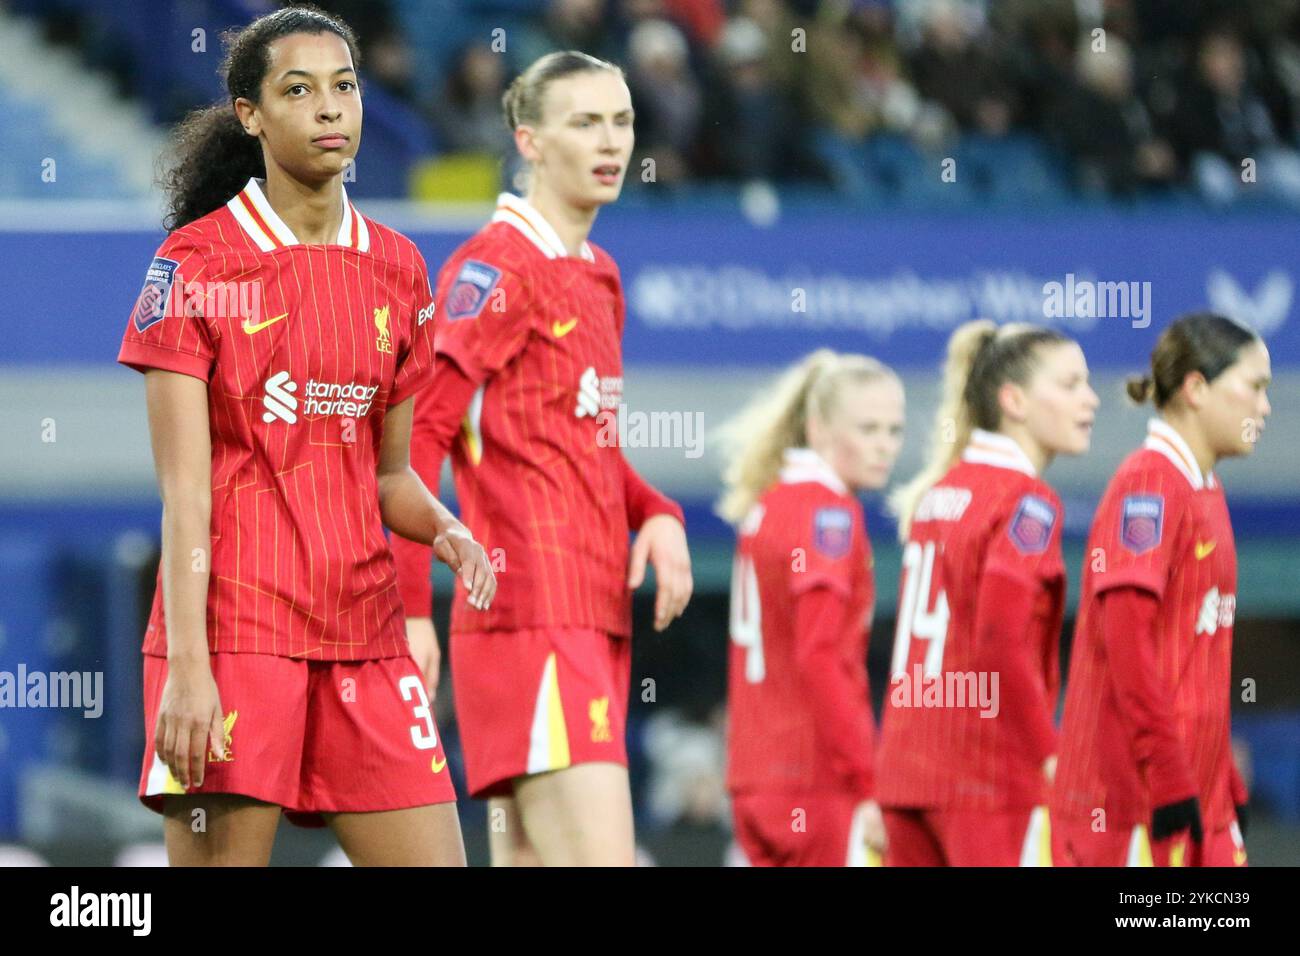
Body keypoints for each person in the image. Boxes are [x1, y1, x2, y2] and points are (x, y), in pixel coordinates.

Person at [117, 6, 495, 866]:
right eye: (298, 90)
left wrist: (446, 527)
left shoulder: (400, 267)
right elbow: (185, 494)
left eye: (344, 86)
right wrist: (188, 667)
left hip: (367, 637)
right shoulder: (196, 265)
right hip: (237, 634)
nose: (329, 108)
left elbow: (388, 476)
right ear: (249, 114)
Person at [391, 51, 693, 867]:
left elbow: (588, 447)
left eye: (622, 121)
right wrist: (411, 608)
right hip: (532, 616)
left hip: (592, 616)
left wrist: (657, 513)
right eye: (584, 122)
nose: (611, 141)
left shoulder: (598, 274)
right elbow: (415, 437)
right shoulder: (495, 268)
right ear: (528, 140)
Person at [1052, 313, 1270, 867]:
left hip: (1197, 800)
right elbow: (1126, 642)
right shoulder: (1147, 484)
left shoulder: (1205, 488)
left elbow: (1196, 658)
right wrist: (1170, 772)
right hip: (1129, 808)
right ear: (1196, 388)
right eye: (1254, 387)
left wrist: (1222, 775)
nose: (1265, 407)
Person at [877, 319, 1098, 866]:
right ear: (1013, 401)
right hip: (986, 777)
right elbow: (1000, 640)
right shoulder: (1027, 500)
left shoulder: (939, 492)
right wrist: (1051, 753)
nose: (1090, 399)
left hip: (906, 774)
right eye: (1070, 384)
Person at [717, 350, 904, 866]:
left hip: (754, 780)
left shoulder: (767, 505)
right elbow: (819, 656)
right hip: (815, 780)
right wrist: (867, 780)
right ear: (818, 429)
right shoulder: (829, 515)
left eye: (895, 430)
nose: (885, 446)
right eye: (868, 429)